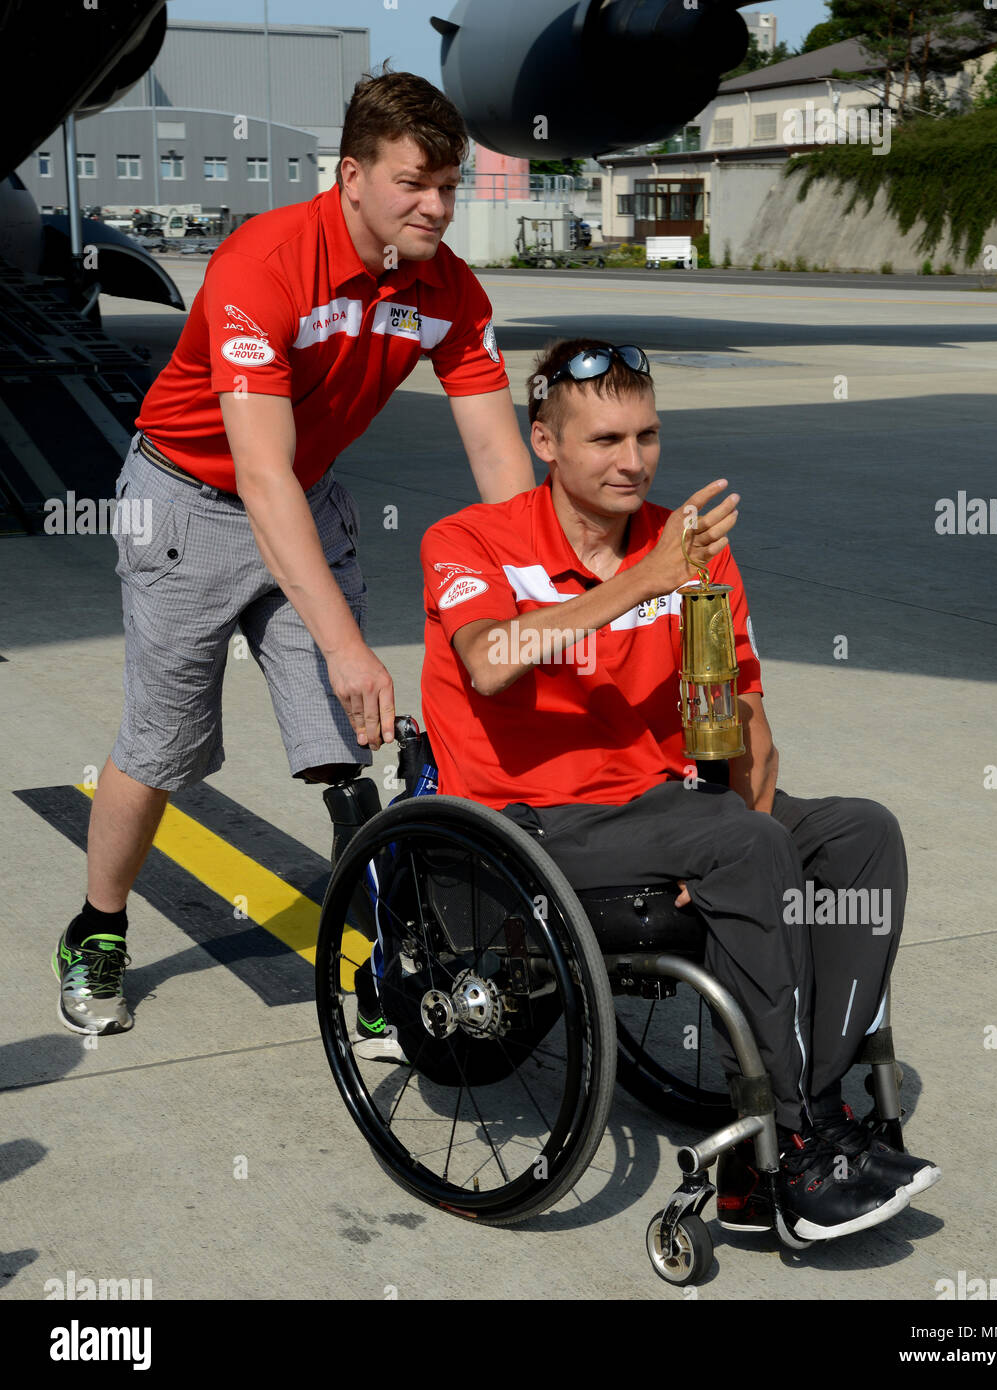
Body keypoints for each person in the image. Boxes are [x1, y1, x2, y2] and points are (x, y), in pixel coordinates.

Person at [416, 337, 942, 1242]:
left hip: (668, 810)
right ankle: (798, 1143)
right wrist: (639, 581)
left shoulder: (692, 552)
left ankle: (800, 1112)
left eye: (648, 436)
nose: (633, 460)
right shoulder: (470, 540)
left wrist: (760, 829)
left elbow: (745, 717)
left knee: (860, 833)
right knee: (745, 845)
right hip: (530, 824)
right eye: (605, 440)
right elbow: (490, 661)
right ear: (544, 442)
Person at [52, 67, 535, 1038]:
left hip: (302, 502)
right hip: (188, 503)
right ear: (351, 175)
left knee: (345, 748)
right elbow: (258, 472)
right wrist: (348, 644)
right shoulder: (264, 262)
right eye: (413, 182)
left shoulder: (444, 289)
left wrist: (541, 583)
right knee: (161, 746)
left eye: (450, 185)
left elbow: (493, 445)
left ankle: (400, 968)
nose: (436, 206)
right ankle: (96, 927)